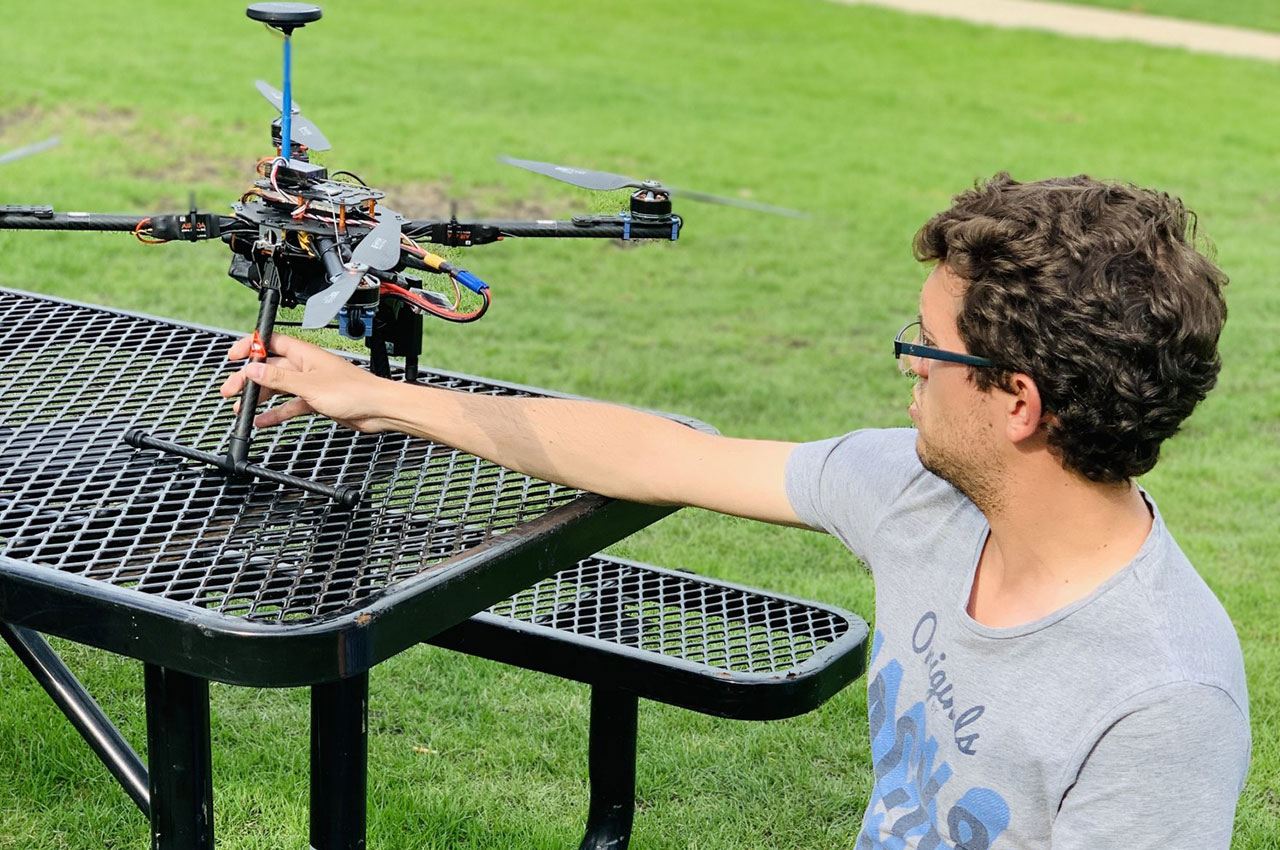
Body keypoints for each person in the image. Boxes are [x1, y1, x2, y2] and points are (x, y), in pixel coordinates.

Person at [220, 173, 1249, 849]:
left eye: (926, 348)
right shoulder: (920, 497)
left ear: (1016, 401)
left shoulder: (1160, 699)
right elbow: (662, 454)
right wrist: (377, 398)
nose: (906, 370)